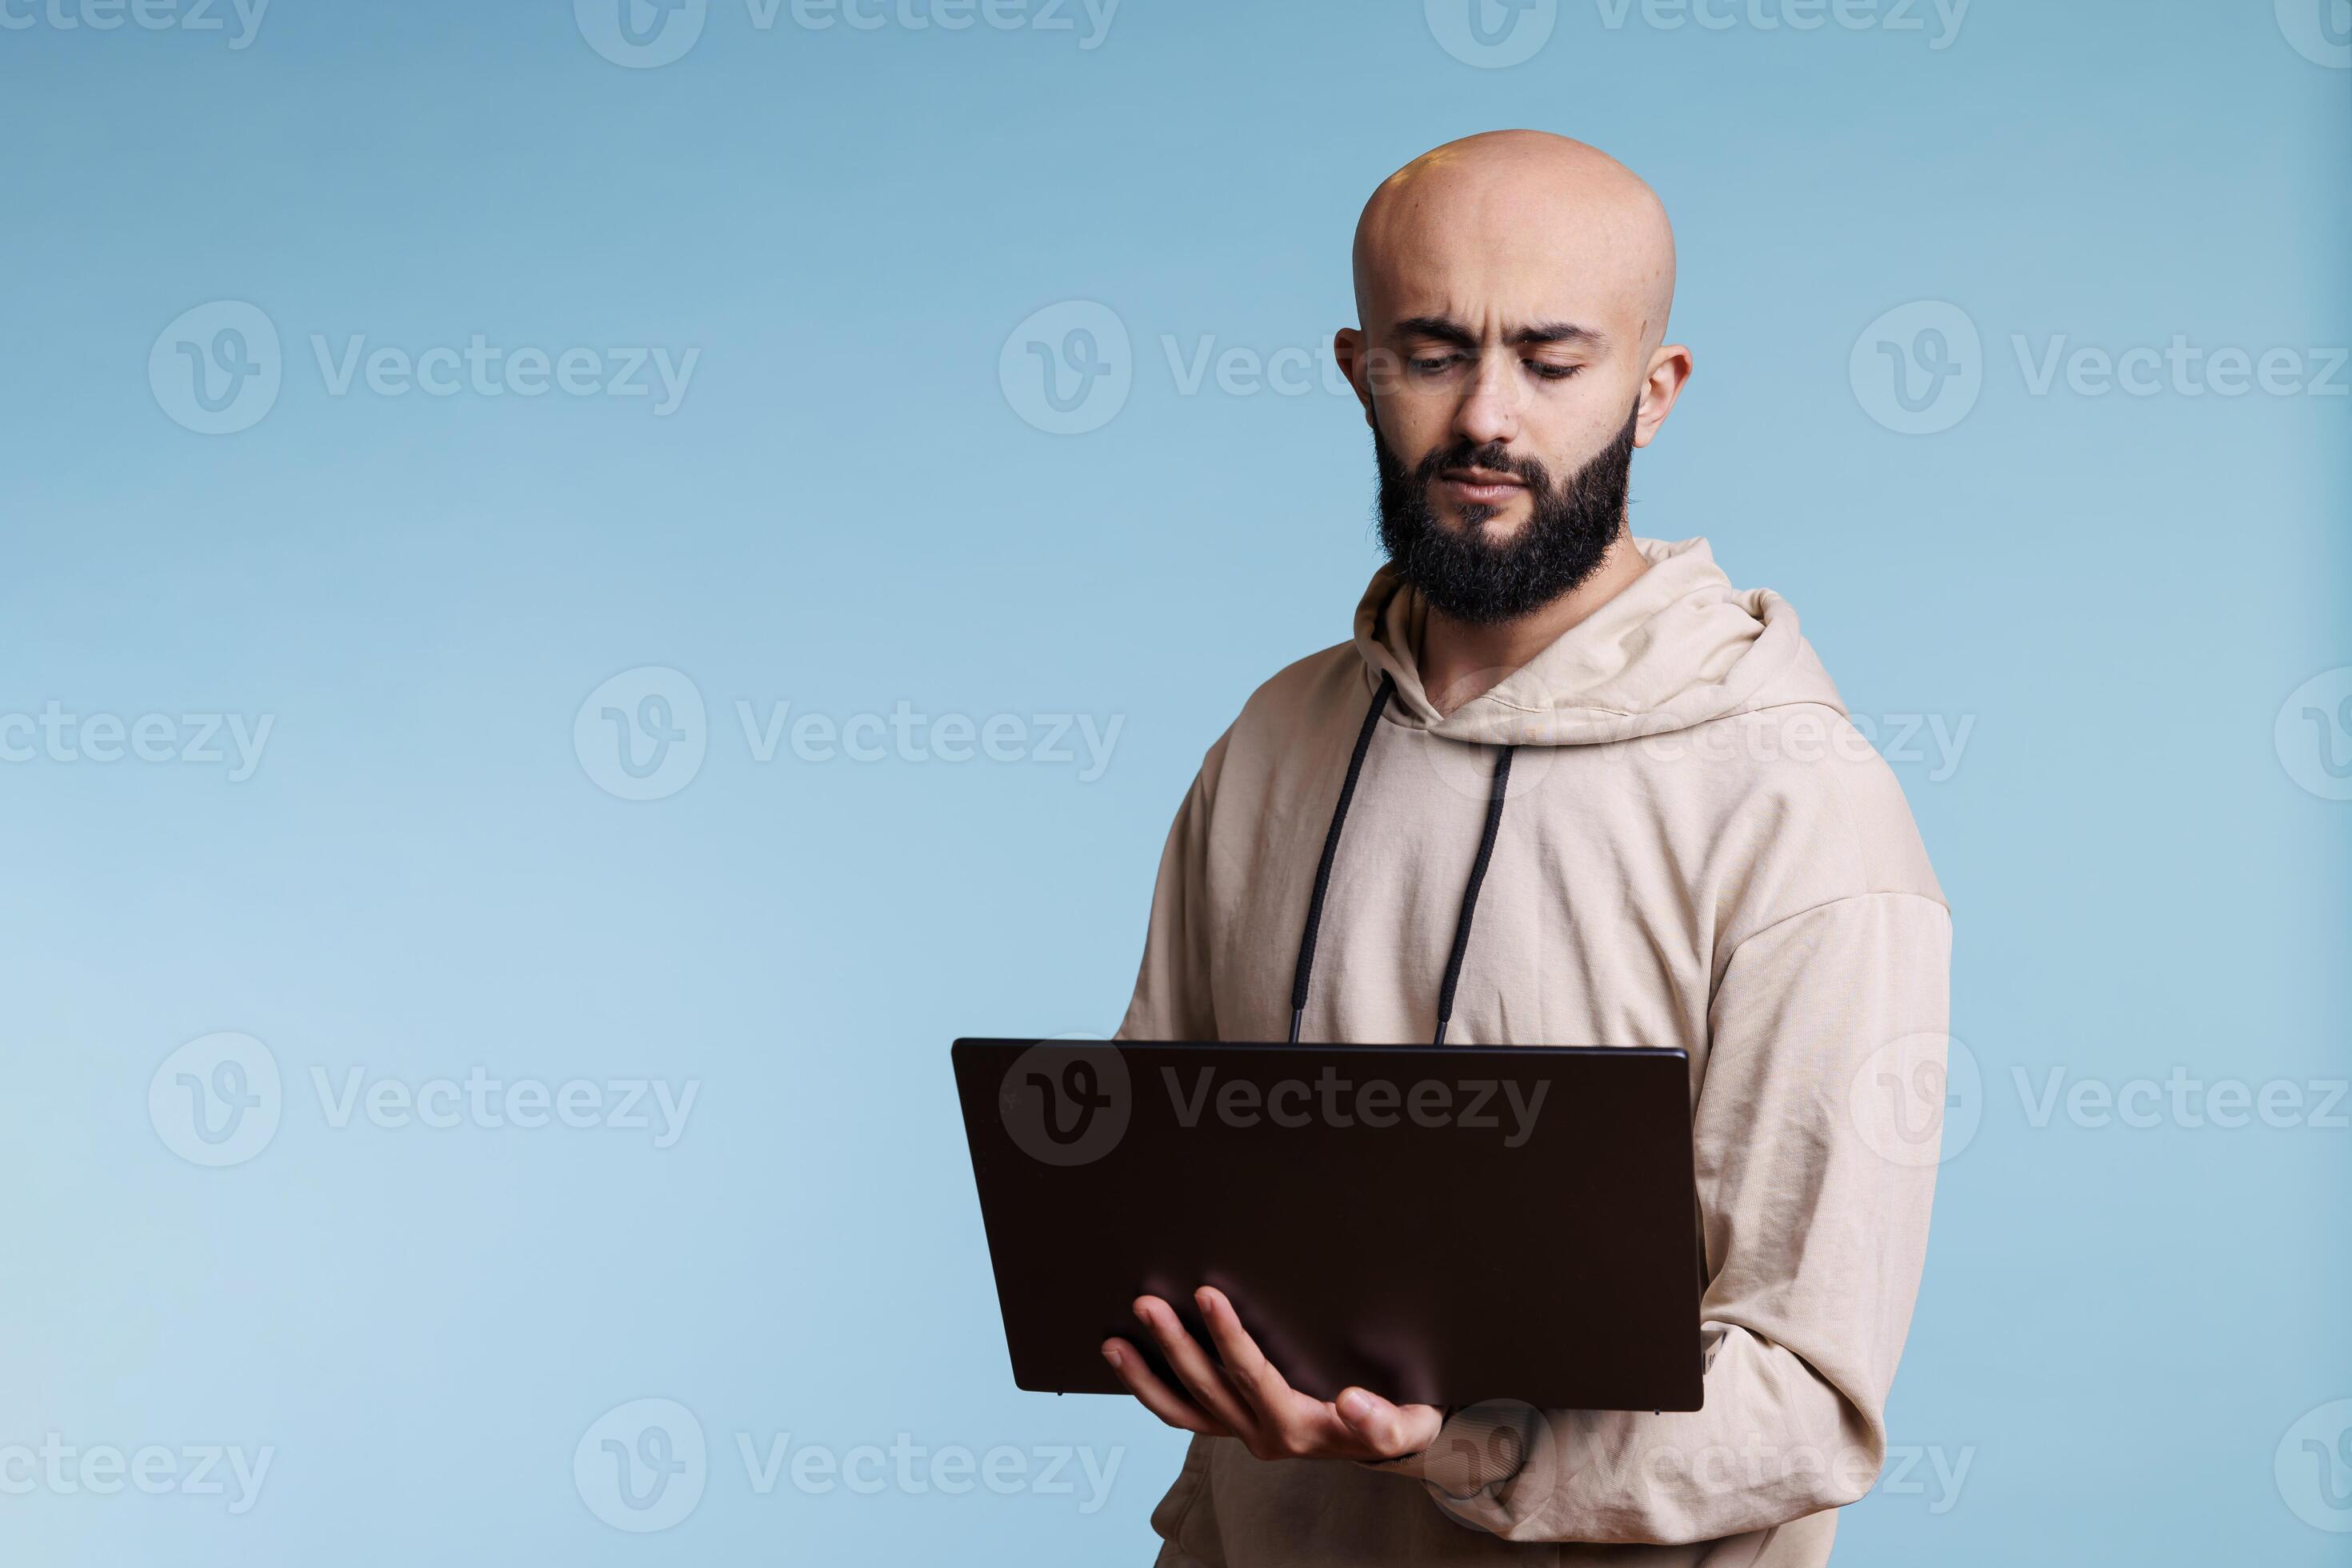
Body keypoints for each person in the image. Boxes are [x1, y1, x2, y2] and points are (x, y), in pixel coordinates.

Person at [1099, 130, 1953, 1566]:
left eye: (1552, 362)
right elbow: (1155, 1209)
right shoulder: (1267, 743)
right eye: (1431, 353)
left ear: (1654, 389)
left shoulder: (1801, 802)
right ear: (1360, 368)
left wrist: (1456, 1445)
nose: (1486, 414)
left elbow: (1809, 1400)